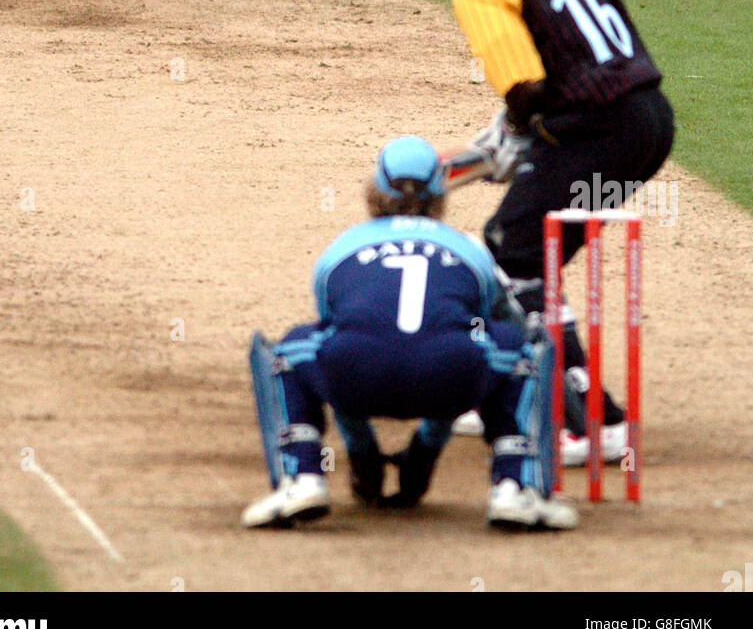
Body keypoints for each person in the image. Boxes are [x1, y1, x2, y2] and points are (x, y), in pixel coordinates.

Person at [450, 0, 674, 465]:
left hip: (600, 133)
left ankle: (591, 422)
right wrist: (525, 138)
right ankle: (503, 388)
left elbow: (526, 89)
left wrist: (518, 132)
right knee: (532, 252)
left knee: (511, 252)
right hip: (650, 121)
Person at [241, 136, 577, 530]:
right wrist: (427, 450)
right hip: (448, 376)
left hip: (357, 376)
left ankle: (301, 476)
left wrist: (361, 451)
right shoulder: (470, 250)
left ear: (374, 190)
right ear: (440, 194)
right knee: (515, 347)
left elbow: (346, 338)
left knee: (294, 345)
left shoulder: (340, 249)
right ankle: (515, 486)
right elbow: (458, 340)